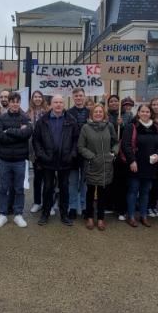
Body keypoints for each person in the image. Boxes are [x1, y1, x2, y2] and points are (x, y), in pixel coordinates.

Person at [32, 95, 79, 226]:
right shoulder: (43, 120)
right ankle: (45, 214)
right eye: (55, 102)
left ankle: (64, 215)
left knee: (64, 188)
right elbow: (36, 140)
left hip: (65, 160)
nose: (58, 104)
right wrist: (41, 155)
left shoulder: (71, 120)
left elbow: (76, 139)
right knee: (47, 188)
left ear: (64, 104)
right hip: (48, 161)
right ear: (51, 104)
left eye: (61, 102)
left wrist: (72, 154)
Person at [0, 92, 33, 228]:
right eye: (12, 101)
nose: (15, 104)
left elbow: (27, 134)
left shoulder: (25, 117)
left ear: (20, 103)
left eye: (17, 101)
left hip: (19, 160)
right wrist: (18, 133)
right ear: (9, 103)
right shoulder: (1, 118)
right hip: (4, 160)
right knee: (3, 188)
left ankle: (18, 214)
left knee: (19, 189)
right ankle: (3, 214)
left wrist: (9, 131)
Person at [77, 104, 118, 231]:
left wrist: (113, 153)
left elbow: (115, 142)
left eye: (101, 112)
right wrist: (92, 157)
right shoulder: (85, 128)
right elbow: (81, 147)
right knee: (89, 193)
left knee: (102, 193)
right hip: (92, 165)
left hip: (106, 165)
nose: (98, 114)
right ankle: (89, 217)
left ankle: (100, 218)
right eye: (96, 112)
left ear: (104, 114)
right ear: (91, 114)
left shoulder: (109, 126)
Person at [122, 104, 158, 227]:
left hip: (150, 165)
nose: (145, 113)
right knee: (133, 190)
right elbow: (126, 145)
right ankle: (131, 216)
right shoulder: (132, 126)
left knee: (146, 191)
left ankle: (143, 216)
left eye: (147, 111)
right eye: (143, 111)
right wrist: (131, 161)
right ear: (138, 113)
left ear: (150, 113)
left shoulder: (155, 127)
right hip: (135, 164)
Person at [66, 87, 91, 220]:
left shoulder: (90, 112)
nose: (78, 98)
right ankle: (73, 207)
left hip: (87, 153)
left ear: (84, 96)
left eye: (81, 95)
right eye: (76, 96)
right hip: (73, 153)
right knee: (73, 182)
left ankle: (85, 207)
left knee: (85, 182)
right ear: (73, 97)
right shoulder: (68, 113)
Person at [107, 94, 129, 220]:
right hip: (108, 150)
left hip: (121, 153)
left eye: (116, 101)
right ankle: (109, 205)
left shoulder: (126, 115)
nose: (114, 103)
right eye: (111, 101)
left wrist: (123, 124)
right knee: (109, 180)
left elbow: (130, 131)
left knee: (121, 181)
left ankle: (121, 208)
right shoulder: (105, 115)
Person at [27, 90, 48, 213]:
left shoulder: (48, 111)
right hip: (34, 149)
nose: (38, 98)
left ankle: (47, 203)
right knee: (37, 177)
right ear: (32, 99)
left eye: (40, 96)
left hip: (47, 148)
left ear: (43, 98)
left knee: (49, 179)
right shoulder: (28, 112)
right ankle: (37, 202)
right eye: (35, 97)